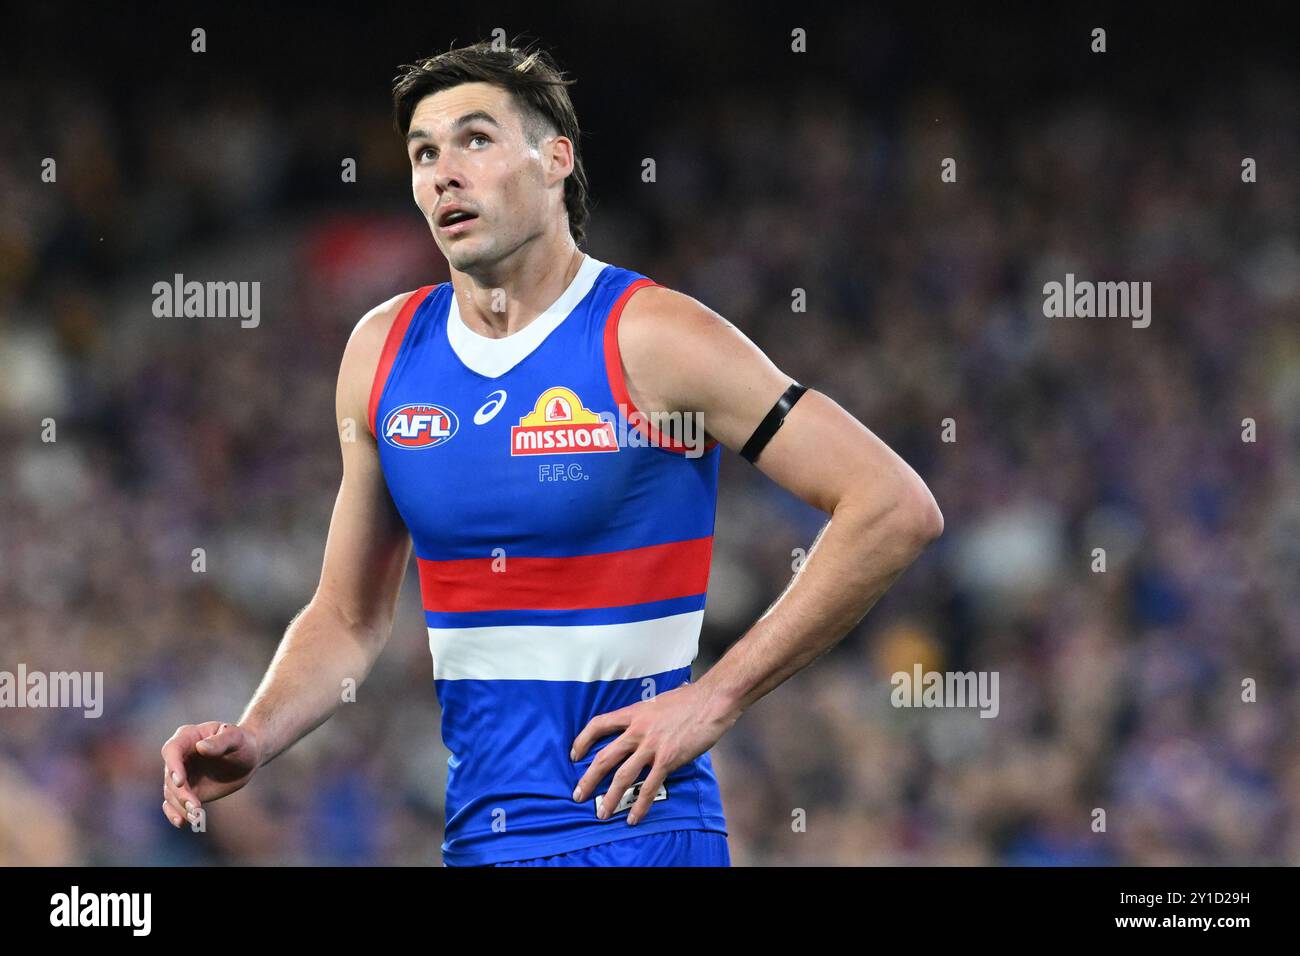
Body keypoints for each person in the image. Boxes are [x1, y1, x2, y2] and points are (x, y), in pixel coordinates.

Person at [161, 39, 943, 867]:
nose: (443, 173)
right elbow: (349, 616)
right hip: (479, 842)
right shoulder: (382, 352)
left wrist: (716, 698)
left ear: (555, 160)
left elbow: (892, 506)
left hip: (643, 836)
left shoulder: (653, 335)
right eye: (424, 153)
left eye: (475, 140)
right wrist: (255, 732)